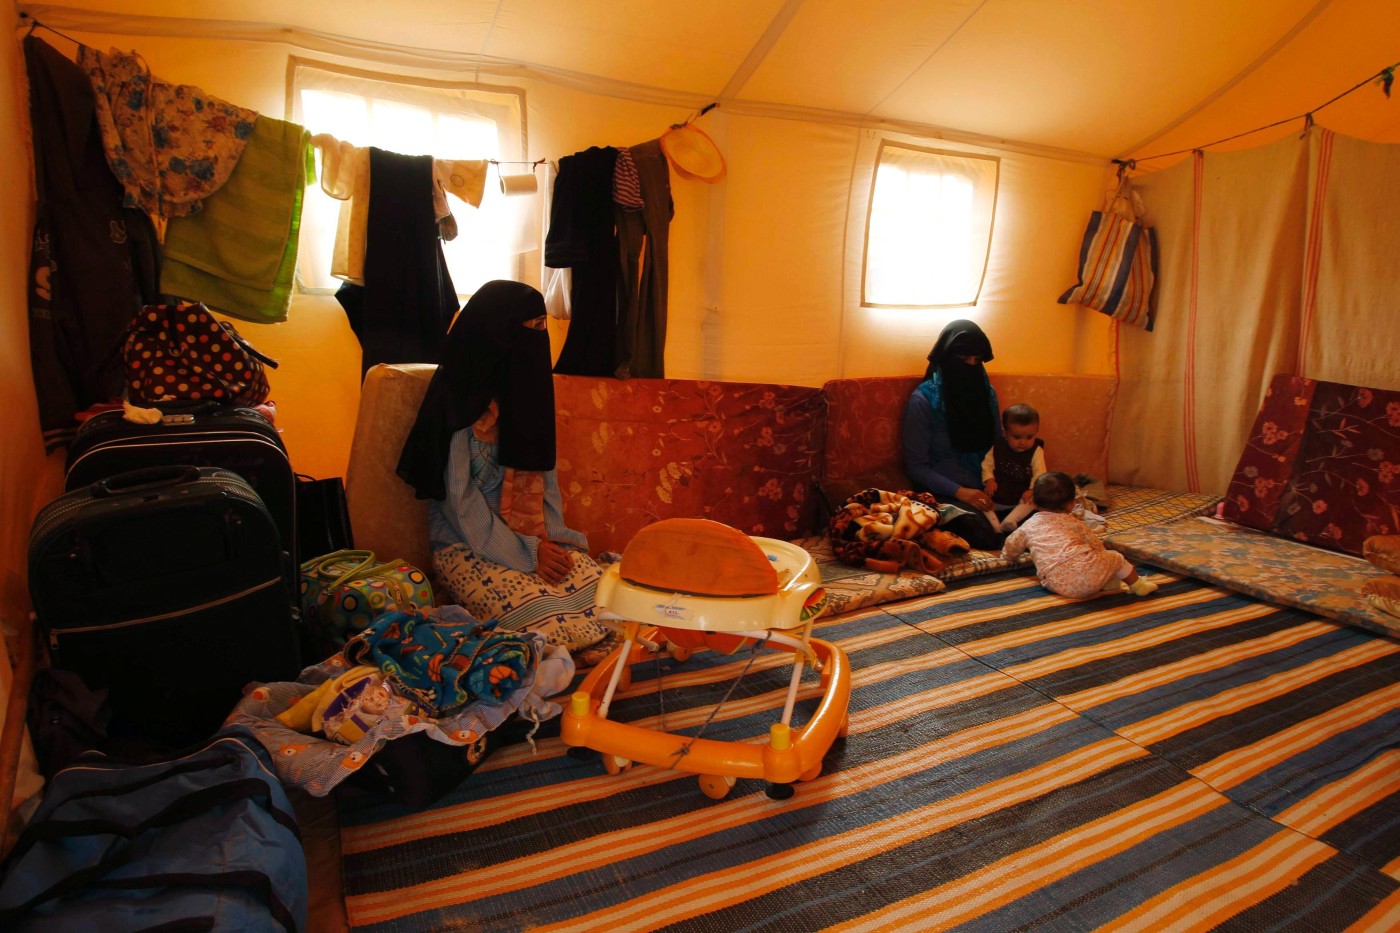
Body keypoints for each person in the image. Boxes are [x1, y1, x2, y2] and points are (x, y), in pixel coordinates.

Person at [396, 280, 613, 663]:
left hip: (533, 540)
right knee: (539, 617)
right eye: (533, 328)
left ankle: (591, 652)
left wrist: (557, 543)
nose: (540, 339)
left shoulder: (527, 397)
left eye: (542, 327)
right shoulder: (458, 405)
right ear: (496, 334)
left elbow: (545, 482)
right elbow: (460, 505)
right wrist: (528, 555)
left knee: (607, 597)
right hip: (466, 548)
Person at [902, 319, 1005, 549]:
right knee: (982, 533)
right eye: (964, 359)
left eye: (977, 360)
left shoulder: (986, 393)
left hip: (987, 485)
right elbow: (917, 467)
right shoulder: (923, 400)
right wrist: (961, 492)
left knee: (1044, 509)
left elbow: (998, 445)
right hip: (947, 492)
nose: (971, 366)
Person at [1002, 472, 1158, 600]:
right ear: (1071, 504)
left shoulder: (1028, 526)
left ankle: (1106, 580)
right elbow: (1096, 545)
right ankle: (1139, 586)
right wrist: (1103, 560)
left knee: (1100, 563)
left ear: (1034, 503)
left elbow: (1012, 545)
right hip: (1088, 580)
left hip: (1057, 584)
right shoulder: (1075, 523)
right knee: (1115, 557)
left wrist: (1008, 557)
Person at [981, 403, 1047, 533]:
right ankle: (996, 526)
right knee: (981, 501)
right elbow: (987, 464)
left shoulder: (1036, 450)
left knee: (1033, 501)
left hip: (1022, 493)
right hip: (999, 491)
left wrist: (1032, 490)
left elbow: (1040, 472)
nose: (1023, 442)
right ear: (1005, 433)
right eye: (1017, 437)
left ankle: (1010, 521)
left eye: (1029, 437)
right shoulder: (998, 446)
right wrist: (989, 480)